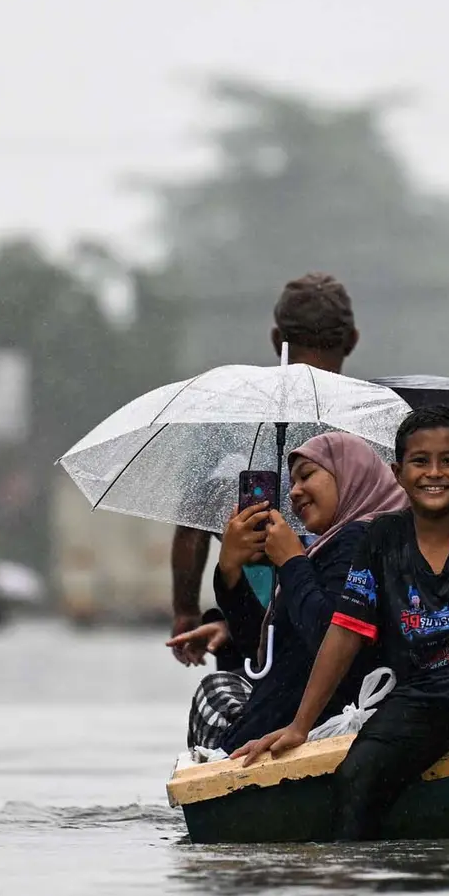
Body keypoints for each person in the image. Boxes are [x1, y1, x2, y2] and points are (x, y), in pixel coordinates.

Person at [233, 377, 449, 842]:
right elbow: (343, 633)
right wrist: (300, 725)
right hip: (424, 696)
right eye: (420, 462)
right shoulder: (380, 539)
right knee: (357, 779)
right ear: (398, 473)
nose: (434, 473)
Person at [169, 273, 360, 666]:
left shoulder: (235, 418)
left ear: (277, 340)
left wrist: (185, 609)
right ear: (353, 340)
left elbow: (192, 523)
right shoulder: (368, 422)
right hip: (344, 634)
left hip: (252, 634)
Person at [173, 431, 405, 753]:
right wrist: (230, 571)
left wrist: (292, 561)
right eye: (292, 482)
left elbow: (329, 638)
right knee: (223, 687)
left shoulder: (359, 539)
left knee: (214, 694)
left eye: (307, 476)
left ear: (351, 476)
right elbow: (266, 648)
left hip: (315, 720)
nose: (295, 492)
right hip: (296, 712)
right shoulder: (334, 545)